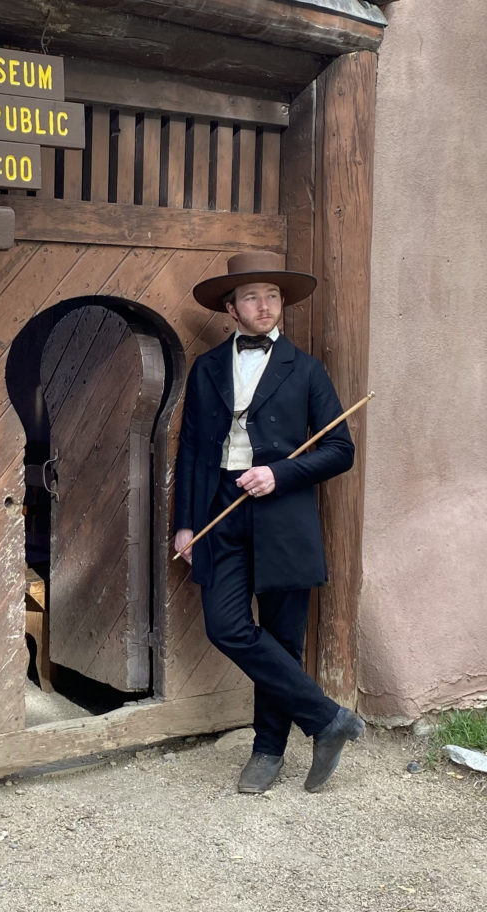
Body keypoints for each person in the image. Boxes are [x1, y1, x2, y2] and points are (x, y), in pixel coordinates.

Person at [173, 250, 363, 795]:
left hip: (283, 518)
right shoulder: (207, 368)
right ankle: (327, 719)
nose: (265, 306)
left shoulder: (307, 370)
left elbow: (340, 450)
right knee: (226, 627)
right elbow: (191, 450)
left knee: (282, 637)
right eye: (252, 297)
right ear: (230, 308)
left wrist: (280, 473)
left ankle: (268, 750)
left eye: (273, 296)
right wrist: (185, 523)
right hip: (220, 512)